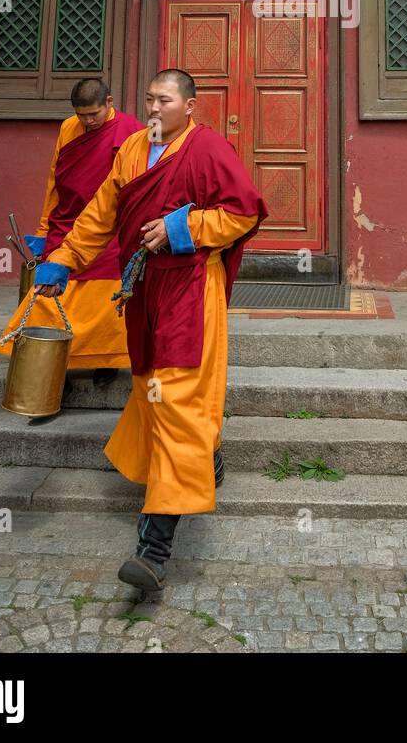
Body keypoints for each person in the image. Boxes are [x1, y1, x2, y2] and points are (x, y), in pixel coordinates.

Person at [30, 68, 268, 589]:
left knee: (177, 398)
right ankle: (207, 451)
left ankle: (154, 548)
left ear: (190, 107)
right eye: (149, 99)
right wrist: (64, 258)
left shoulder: (207, 150)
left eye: (164, 100)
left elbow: (243, 211)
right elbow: (99, 214)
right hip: (143, 288)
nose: (154, 109)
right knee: (150, 386)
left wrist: (184, 226)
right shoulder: (133, 150)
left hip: (188, 289)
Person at [0, 78, 144, 381]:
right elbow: (55, 180)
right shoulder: (68, 129)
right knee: (51, 297)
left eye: (94, 115)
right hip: (67, 221)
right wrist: (43, 228)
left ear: (110, 103)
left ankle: (105, 361)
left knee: (105, 303)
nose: (88, 121)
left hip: (108, 227)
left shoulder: (133, 131)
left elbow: (138, 183)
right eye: (82, 115)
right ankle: (53, 362)